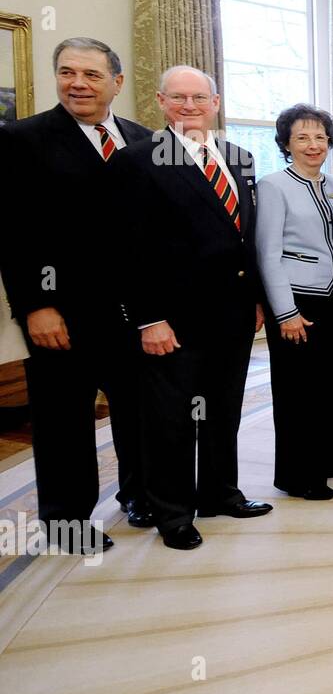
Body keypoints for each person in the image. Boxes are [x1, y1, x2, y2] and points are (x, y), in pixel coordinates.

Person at [0, 37, 152, 553]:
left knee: (139, 409)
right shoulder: (23, 139)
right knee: (64, 418)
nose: (78, 84)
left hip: (135, 311)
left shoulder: (143, 139)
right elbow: (13, 232)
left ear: (117, 82)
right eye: (67, 73)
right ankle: (66, 521)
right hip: (61, 310)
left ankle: (141, 496)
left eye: (90, 74)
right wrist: (35, 306)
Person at [116, 66, 271, 551]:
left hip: (234, 313)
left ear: (216, 103)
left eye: (199, 98)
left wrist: (259, 300)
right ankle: (174, 514)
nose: (189, 106)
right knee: (172, 419)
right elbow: (129, 248)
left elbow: (249, 236)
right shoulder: (137, 161)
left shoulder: (239, 159)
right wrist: (148, 317)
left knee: (224, 411)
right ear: (161, 102)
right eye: (178, 98)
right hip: (172, 318)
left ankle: (220, 493)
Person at [255, 104, 333, 501]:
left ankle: (325, 460)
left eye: (320, 136)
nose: (313, 144)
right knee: (297, 392)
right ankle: (296, 475)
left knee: (332, 385)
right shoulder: (273, 185)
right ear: (286, 142)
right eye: (302, 137)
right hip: (299, 303)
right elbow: (267, 254)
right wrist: (285, 312)